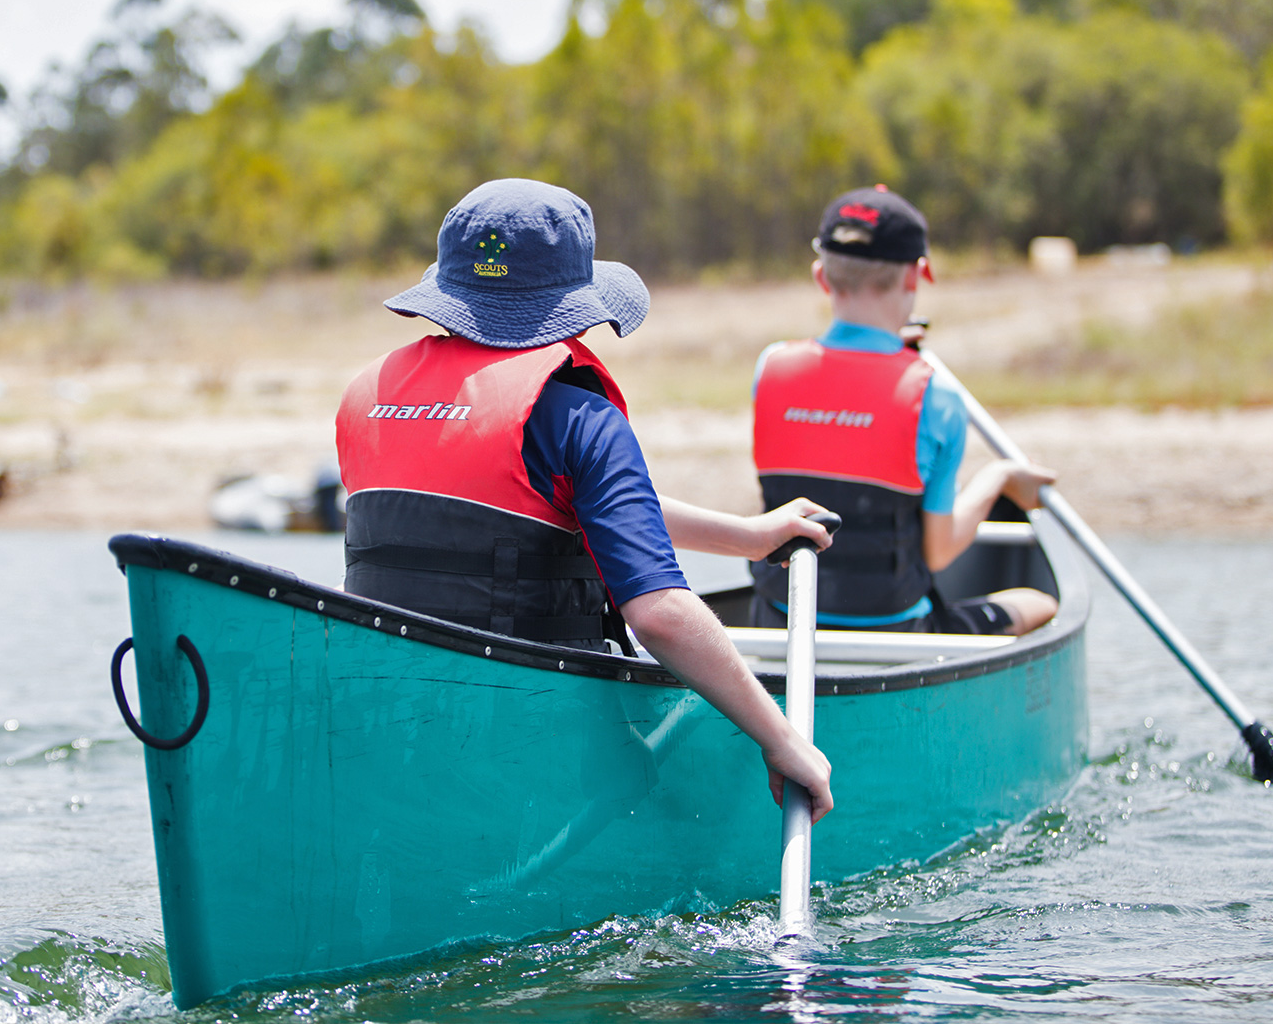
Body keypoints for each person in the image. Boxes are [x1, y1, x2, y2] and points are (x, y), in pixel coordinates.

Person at [335, 178, 835, 819]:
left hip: (387, 726)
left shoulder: (366, 398)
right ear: (571, 301)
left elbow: (537, 510)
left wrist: (745, 535)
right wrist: (782, 737)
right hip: (528, 738)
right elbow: (657, 613)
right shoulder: (578, 417)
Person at [750, 185, 1058, 637]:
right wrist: (1000, 478)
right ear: (914, 278)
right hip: (898, 634)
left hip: (781, 619)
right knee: (1040, 603)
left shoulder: (769, 366)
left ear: (821, 276)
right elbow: (939, 552)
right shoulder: (937, 396)